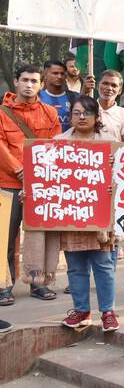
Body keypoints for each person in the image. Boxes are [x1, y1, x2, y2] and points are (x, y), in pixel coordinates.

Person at [56, 97, 119, 332]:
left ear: (96, 117)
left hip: (101, 217)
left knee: (103, 265)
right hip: (70, 216)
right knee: (75, 267)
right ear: (70, 116)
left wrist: (115, 180)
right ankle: (81, 310)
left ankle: (108, 312)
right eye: (76, 113)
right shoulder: (57, 143)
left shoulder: (111, 143)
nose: (81, 117)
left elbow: (123, 176)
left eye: (87, 113)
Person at [0, 64, 61, 305]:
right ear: (16, 82)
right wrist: (19, 170)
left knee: (39, 237)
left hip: (41, 184)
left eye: (34, 81)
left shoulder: (50, 112)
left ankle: (38, 283)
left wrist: (37, 174)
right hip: (7, 183)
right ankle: (4, 286)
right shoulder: (2, 112)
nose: (29, 85)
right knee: (5, 237)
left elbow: (55, 145)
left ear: (41, 85)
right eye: (25, 80)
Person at [96, 70, 124, 141]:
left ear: (119, 91)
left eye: (114, 85)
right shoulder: (86, 111)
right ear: (98, 86)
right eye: (105, 83)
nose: (109, 88)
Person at [39, 59, 72, 130]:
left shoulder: (74, 97)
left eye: (62, 74)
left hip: (69, 137)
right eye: (55, 73)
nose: (59, 76)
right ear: (45, 75)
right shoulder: (37, 97)